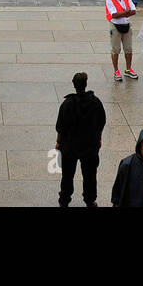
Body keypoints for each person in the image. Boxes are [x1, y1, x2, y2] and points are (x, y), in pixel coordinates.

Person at [55, 72, 106, 207]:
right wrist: (99, 139)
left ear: (74, 85)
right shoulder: (95, 102)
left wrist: (58, 142)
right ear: (86, 84)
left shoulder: (67, 104)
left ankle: (64, 199)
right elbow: (101, 123)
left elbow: (61, 127)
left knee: (67, 175)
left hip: (70, 146)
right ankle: (90, 200)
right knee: (89, 175)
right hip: (89, 146)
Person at [105, 0, 138, 82]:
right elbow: (113, 15)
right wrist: (126, 12)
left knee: (128, 49)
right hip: (115, 26)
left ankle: (128, 69)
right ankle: (116, 71)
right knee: (115, 49)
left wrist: (123, 13)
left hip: (126, 25)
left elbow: (133, 11)